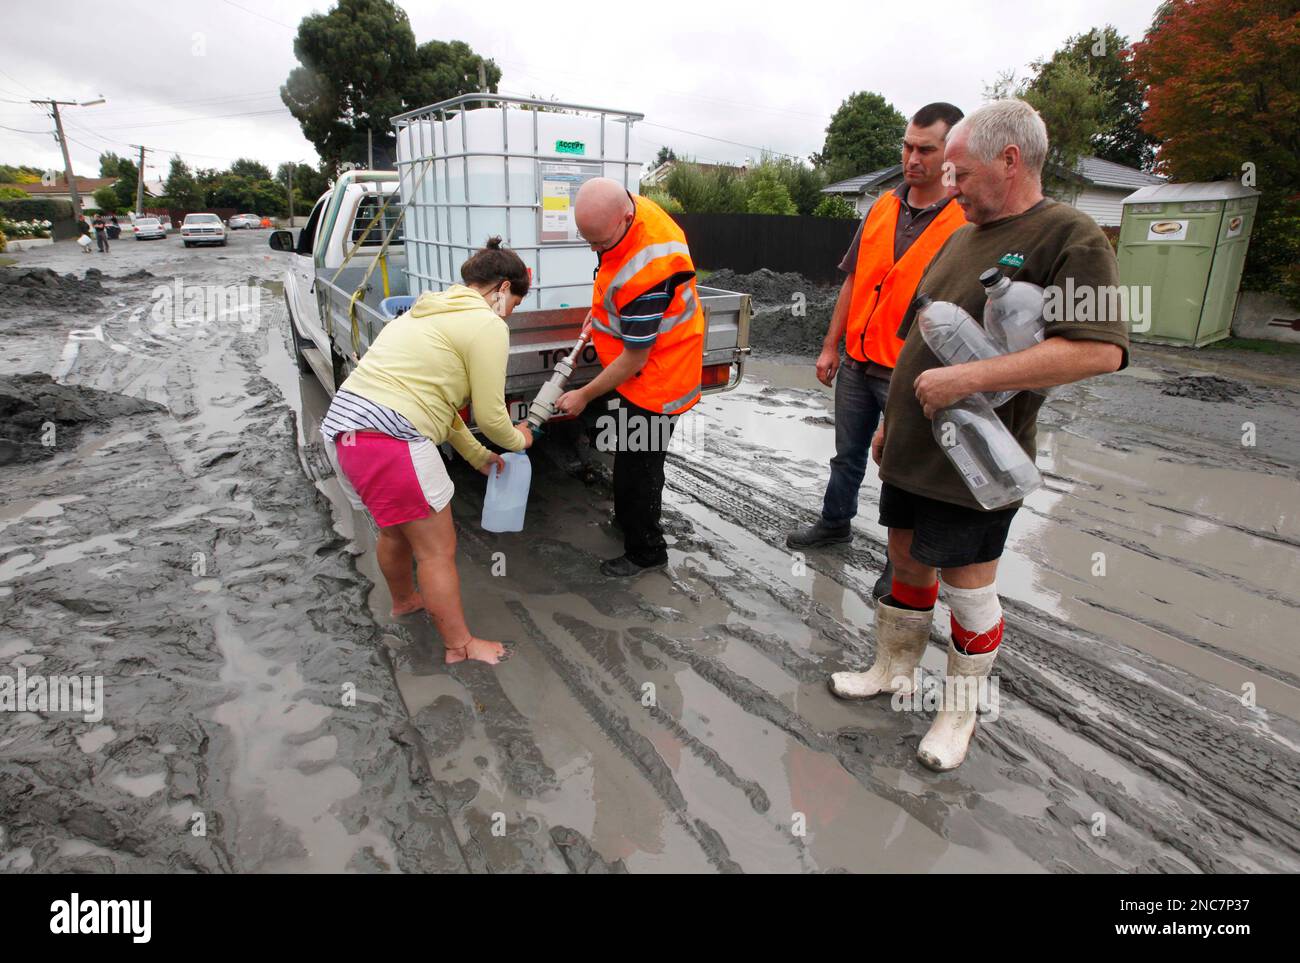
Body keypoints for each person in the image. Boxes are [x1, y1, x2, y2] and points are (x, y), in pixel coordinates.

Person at [828, 100, 1128, 771]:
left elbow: (1100, 351)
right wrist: (889, 424)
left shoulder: (1071, 236)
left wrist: (969, 381)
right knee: (905, 562)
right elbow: (918, 342)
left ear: (1010, 160)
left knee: (968, 586)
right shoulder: (962, 235)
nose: (950, 184)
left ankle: (959, 715)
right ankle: (894, 670)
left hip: (978, 462)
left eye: (962, 172)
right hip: (912, 446)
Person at [320, 237, 535, 666]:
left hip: (345, 433)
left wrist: (476, 456)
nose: (511, 312)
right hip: (393, 439)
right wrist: (521, 440)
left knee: (395, 530)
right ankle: (460, 645)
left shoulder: (421, 313)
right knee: (436, 551)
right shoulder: (487, 324)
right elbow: (493, 418)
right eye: (515, 302)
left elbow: (441, 406)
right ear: (503, 289)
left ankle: (404, 602)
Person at [787, 103, 967, 601]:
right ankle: (834, 523)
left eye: (925, 149)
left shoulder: (962, 220)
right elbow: (852, 280)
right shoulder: (882, 206)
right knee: (847, 456)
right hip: (857, 361)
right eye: (908, 147)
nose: (913, 158)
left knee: (900, 469)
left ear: (950, 153)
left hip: (907, 371)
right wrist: (830, 346)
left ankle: (900, 564)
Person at [553, 178, 705, 577]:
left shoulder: (652, 272)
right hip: (641, 371)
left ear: (623, 219)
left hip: (657, 378)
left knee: (639, 469)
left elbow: (635, 358)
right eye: (587, 240)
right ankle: (629, 521)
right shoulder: (629, 214)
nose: (594, 249)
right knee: (628, 458)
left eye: (599, 242)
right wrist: (600, 311)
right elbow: (615, 277)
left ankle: (646, 551)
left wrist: (584, 395)